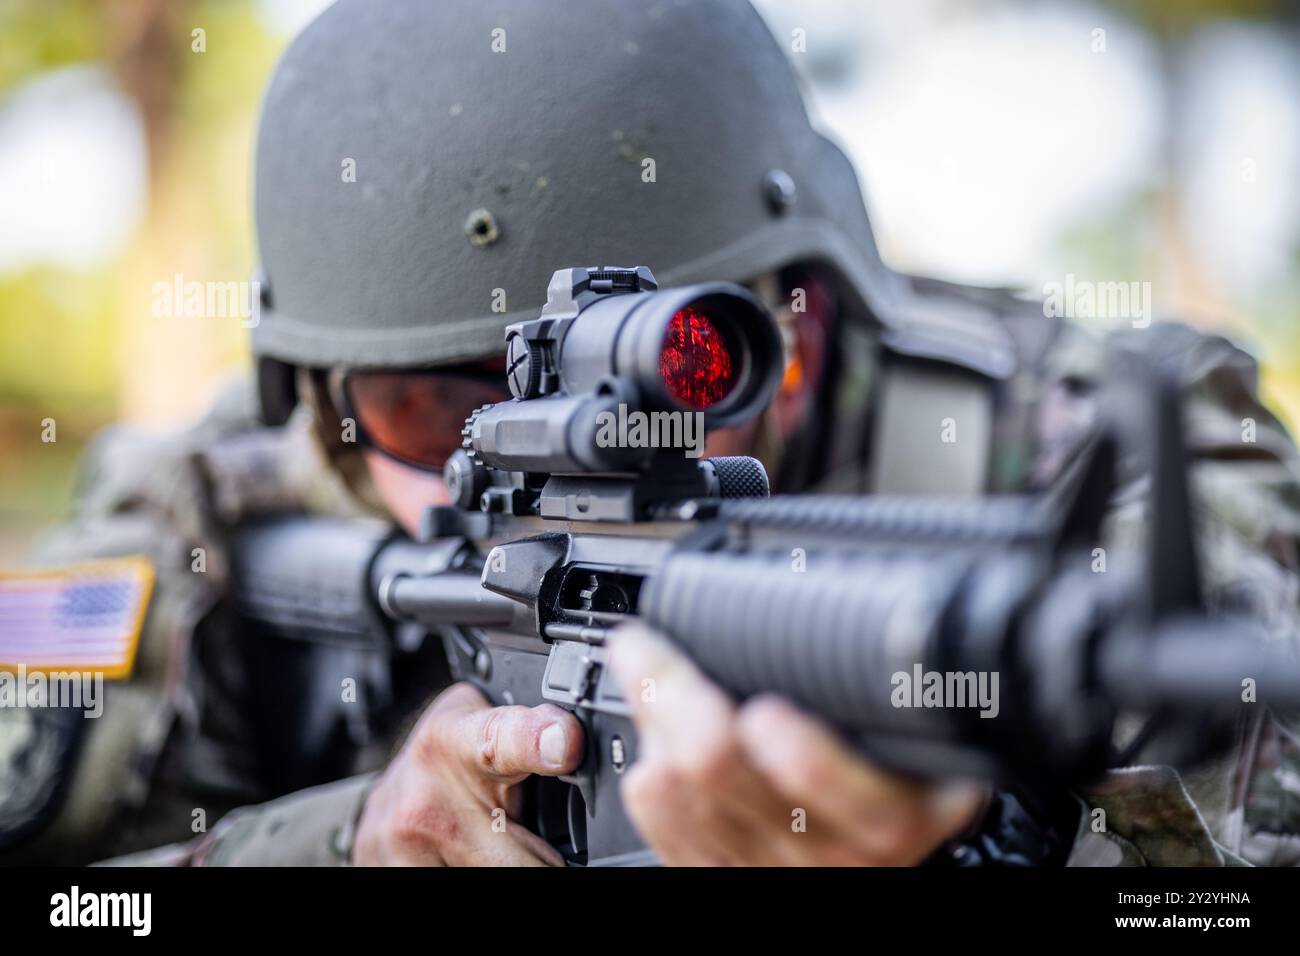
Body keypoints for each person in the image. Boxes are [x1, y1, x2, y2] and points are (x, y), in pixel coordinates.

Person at [3, 0, 1297, 868]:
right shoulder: (208, 515)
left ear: (812, 305)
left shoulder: (1105, 448)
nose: (556, 450)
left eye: (687, 369)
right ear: (327, 407)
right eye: (428, 405)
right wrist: (345, 841)